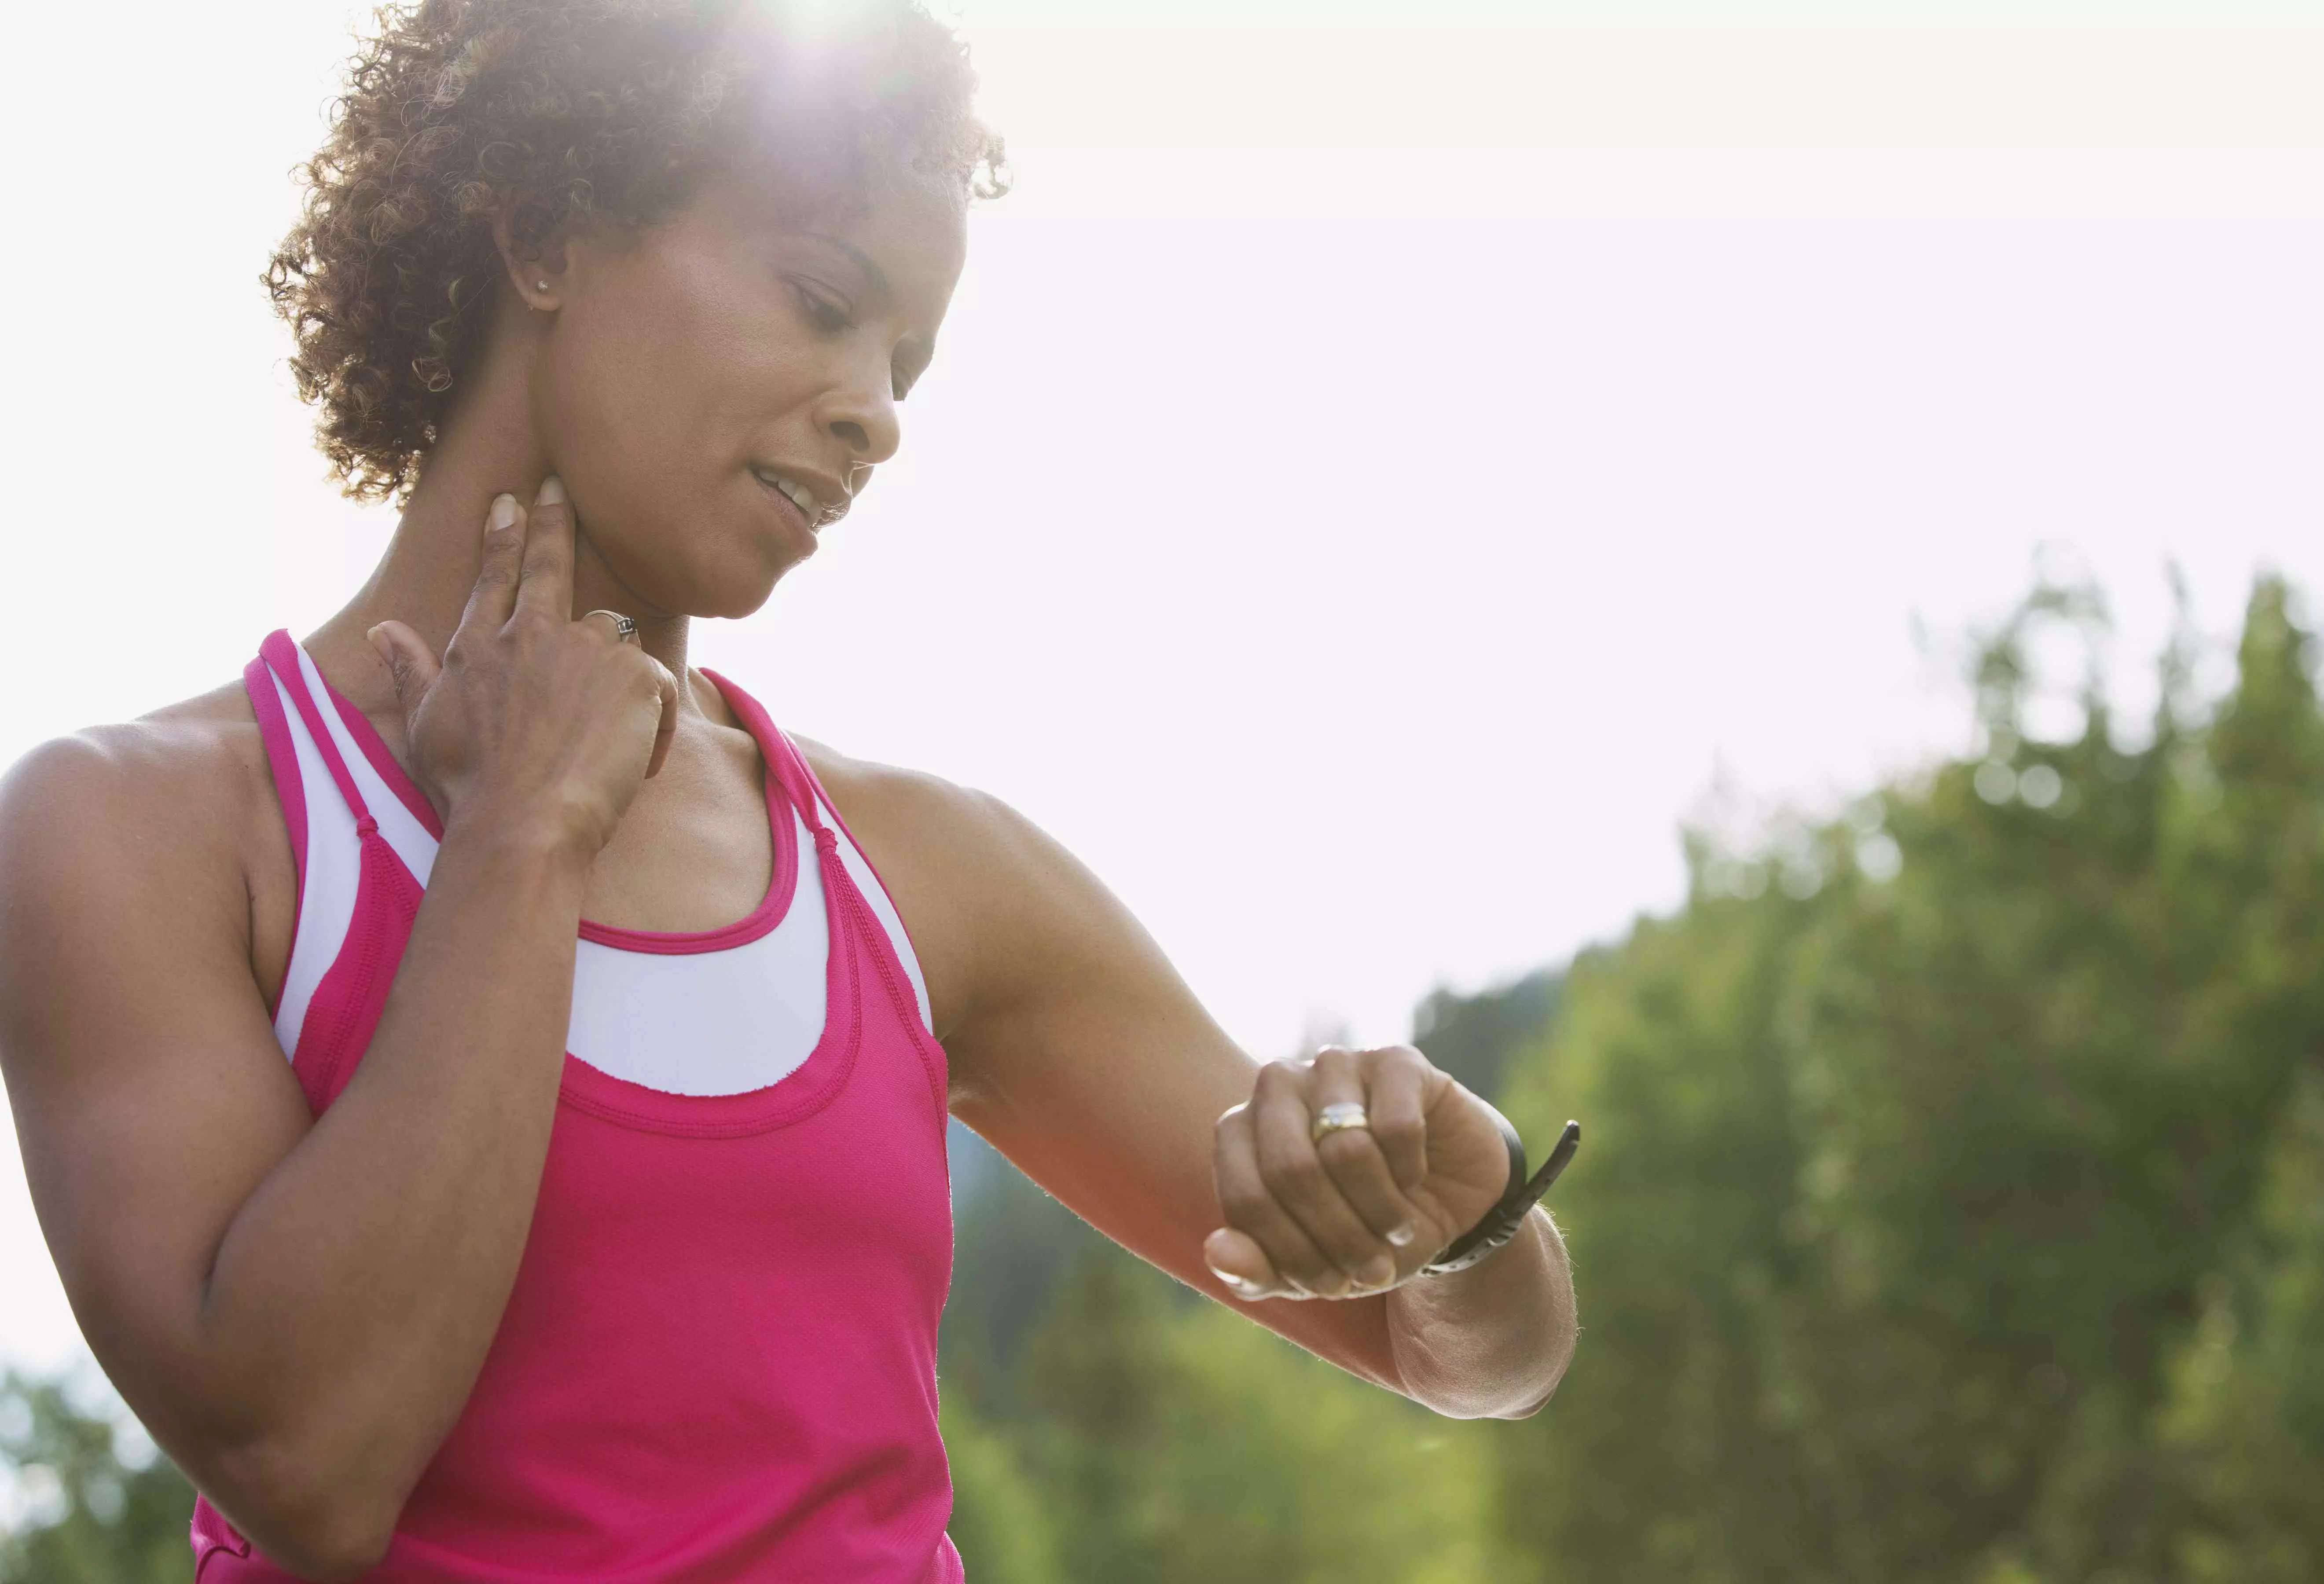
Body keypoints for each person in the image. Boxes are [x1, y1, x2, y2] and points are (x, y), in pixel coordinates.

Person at [0, 1, 1578, 1578]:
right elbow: (310, 1463)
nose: (876, 413)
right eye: (825, 301)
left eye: (906, 362)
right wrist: (520, 835)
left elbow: (1458, 1352)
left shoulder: (926, 876)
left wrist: (1472, 1213)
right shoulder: (140, 833)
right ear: (548, 233)